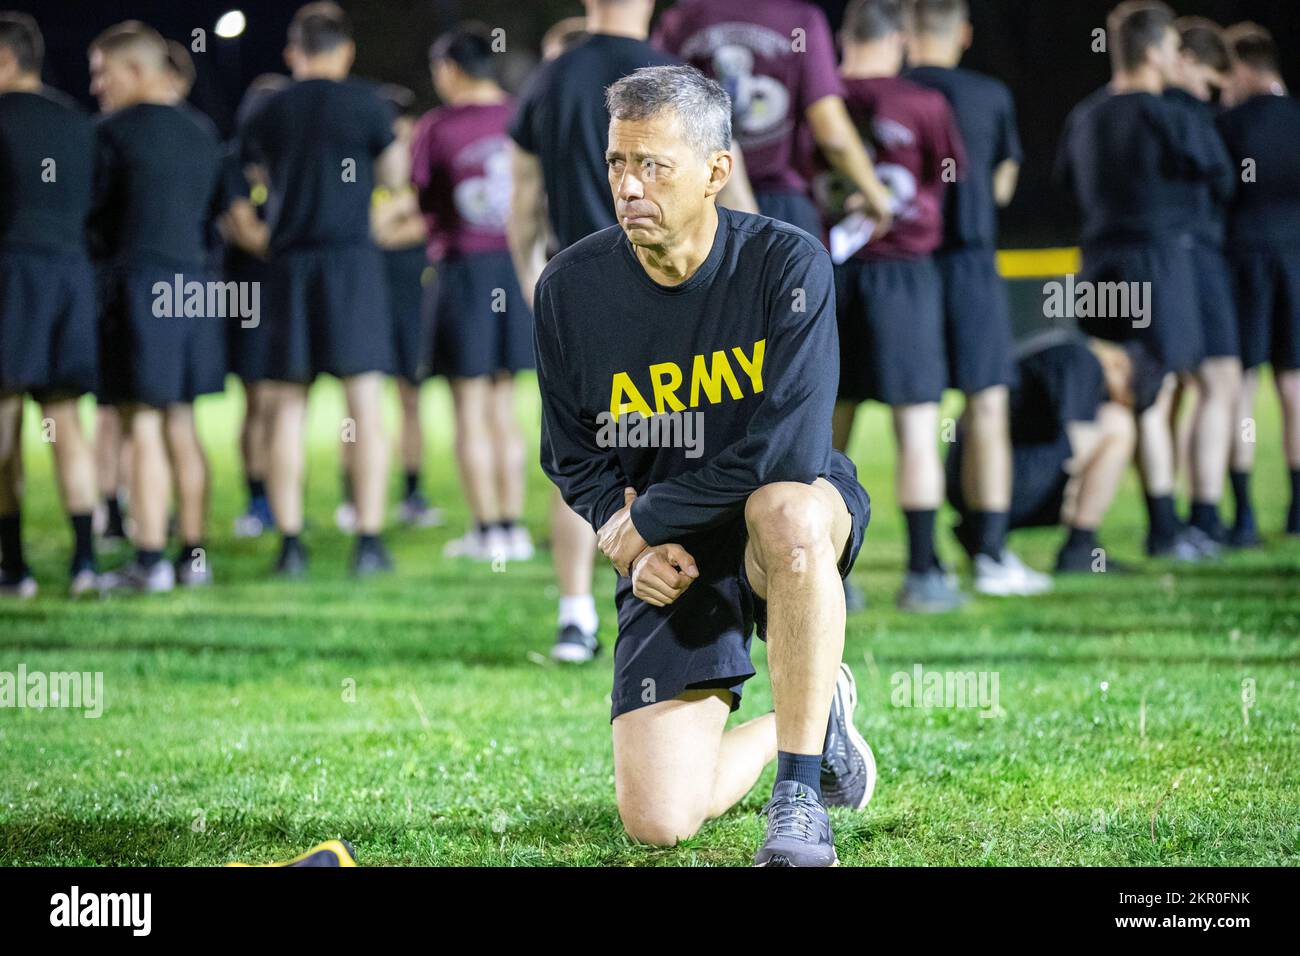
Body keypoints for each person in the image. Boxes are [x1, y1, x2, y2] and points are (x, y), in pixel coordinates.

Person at [535, 64, 875, 867]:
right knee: (660, 820)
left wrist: (642, 521)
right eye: (618, 162)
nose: (628, 185)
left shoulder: (789, 267)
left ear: (717, 172)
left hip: (780, 513)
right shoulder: (569, 290)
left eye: (653, 165)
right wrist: (632, 547)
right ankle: (812, 712)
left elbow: (786, 452)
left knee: (786, 511)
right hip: (669, 552)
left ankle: (797, 803)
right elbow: (571, 453)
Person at [507, 0, 679, 663]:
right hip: (672, 286)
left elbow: (522, 206)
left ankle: (575, 614)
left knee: (582, 455)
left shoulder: (551, 77)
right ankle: (677, 598)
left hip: (581, 289)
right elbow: (729, 188)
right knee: (679, 442)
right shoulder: (672, 71)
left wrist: (535, 288)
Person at [1056, 0, 1229, 561]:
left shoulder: (1085, 114)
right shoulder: (1169, 114)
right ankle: (1164, 528)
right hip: (1155, 265)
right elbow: (1222, 177)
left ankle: (1085, 530)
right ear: (1157, 51)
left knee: (1123, 394)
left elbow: (1064, 185)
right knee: (1154, 394)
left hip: (1096, 266)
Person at [240, 2, 400, 577]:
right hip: (352, 263)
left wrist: (262, 231)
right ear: (346, 50)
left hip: (289, 266)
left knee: (286, 409)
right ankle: (371, 542)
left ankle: (290, 546)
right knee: (363, 408)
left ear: (293, 52)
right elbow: (398, 183)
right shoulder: (367, 103)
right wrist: (373, 223)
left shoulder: (268, 107)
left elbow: (244, 180)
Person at [826, 0, 978, 611]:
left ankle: (831, 575)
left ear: (843, 37)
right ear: (898, 40)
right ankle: (923, 573)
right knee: (917, 428)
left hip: (824, 278)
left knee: (824, 436)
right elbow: (948, 181)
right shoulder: (924, 103)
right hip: (905, 276)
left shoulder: (823, 98)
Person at [905, 0, 1048, 594]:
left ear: (907, 33)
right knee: (986, 403)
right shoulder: (989, 93)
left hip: (903, 266)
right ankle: (989, 555)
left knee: (888, 409)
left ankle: (900, 562)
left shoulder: (893, 88)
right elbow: (1003, 183)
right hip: (971, 264)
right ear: (962, 33)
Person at [88, 21, 224, 593]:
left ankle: (149, 560)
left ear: (137, 70)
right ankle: (194, 557)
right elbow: (219, 215)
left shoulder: (109, 134)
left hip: (139, 287)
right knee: (181, 422)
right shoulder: (203, 133)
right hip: (195, 289)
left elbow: (91, 218)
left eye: (104, 72)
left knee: (142, 420)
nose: (96, 86)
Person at [412, 26, 532, 560]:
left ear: (450, 69)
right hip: (514, 269)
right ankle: (513, 528)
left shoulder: (437, 126)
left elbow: (425, 200)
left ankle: (486, 530)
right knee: (503, 405)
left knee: (469, 407)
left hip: (463, 271)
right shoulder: (520, 115)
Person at [0, 12, 99, 598]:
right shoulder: (77, 123)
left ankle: (15, 567)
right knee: (66, 423)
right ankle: (86, 563)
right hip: (70, 278)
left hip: (11, 276)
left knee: (5, 420)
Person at [653, 0, 893, 238]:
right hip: (779, 202)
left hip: (701, 198)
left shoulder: (682, 18)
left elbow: (657, 111)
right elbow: (831, 132)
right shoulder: (799, 23)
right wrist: (875, 193)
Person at [949, 332, 1163, 574]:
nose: (1111, 398)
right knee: (1118, 425)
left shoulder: (1056, 349)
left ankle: (983, 531)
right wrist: (1076, 496)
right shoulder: (1084, 362)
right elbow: (1076, 445)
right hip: (1001, 485)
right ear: (1120, 366)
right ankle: (1079, 548)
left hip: (967, 481)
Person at [335, 83, 445, 532]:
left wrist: (397, 218)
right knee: (356, 403)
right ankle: (351, 498)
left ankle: (413, 493)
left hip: (409, 295)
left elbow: (425, 224)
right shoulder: (357, 172)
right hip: (364, 294)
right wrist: (399, 214)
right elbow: (365, 227)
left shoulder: (421, 171)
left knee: (410, 398)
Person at [1216, 23, 1300, 542]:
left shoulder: (1227, 124)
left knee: (1238, 387)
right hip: (1296, 260)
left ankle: (1242, 513)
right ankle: (1297, 512)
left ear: (1243, 68)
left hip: (1241, 262)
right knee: (1294, 386)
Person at [1160, 17, 1240, 548]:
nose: (1214, 99)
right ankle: (1204, 514)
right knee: (1219, 383)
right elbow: (1225, 181)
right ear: (1183, 57)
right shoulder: (1182, 114)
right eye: (1211, 83)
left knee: (1175, 389)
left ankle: (1176, 520)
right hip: (1193, 258)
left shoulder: (1123, 107)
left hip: (1156, 260)